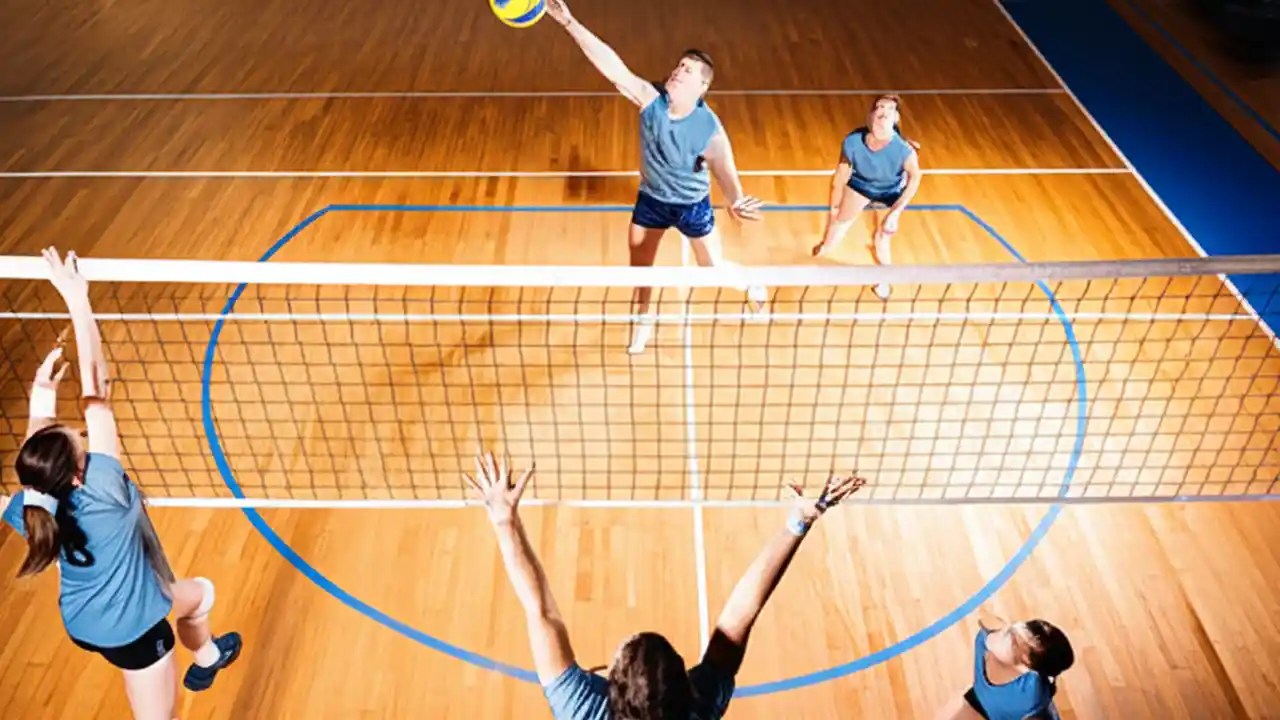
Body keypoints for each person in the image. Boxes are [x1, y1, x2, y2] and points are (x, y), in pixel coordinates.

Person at [0, 247, 242, 720]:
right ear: (78, 472)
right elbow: (96, 390)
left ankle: (209, 657)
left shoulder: (31, 506)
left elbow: (38, 452)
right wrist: (76, 298)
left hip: (85, 619)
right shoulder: (103, 493)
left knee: (199, 596)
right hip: (131, 630)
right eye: (81, 445)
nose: (84, 438)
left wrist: (42, 394)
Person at [466, 448, 866, 719]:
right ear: (683, 683)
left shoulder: (584, 706)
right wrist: (800, 522)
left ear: (613, 686)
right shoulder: (696, 706)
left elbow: (540, 611)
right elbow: (741, 613)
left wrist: (503, 520)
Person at [543, 0, 768, 354]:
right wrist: (569, 22)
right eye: (680, 65)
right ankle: (642, 324)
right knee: (640, 273)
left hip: (692, 206)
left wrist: (737, 200)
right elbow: (612, 66)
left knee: (712, 270)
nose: (679, 71)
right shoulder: (651, 101)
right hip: (651, 201)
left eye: (690, 71)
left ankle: (751, 285)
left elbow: (726, 173)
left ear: (702, 88)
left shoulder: (709, 130)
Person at [811, 94, 923, 299]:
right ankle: (824, 250)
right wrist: (834, 206)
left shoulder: (904, 151)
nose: (883, 112)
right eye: (879, 107)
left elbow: (915, 178)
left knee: (882, 238)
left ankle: (885, 281)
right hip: (861, 185)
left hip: (892, 190)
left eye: (889, 109)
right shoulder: (853, 142)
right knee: (838, 225)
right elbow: (841, 174)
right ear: (870, 115)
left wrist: (896, 213)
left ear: (896, 118)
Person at [935, 613, 1075, 720]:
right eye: (1009, 633)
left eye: (1014, 645)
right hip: (982, 701)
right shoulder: (987, 635)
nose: (997, 638)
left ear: (1026, 667)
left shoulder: (1030, 697)